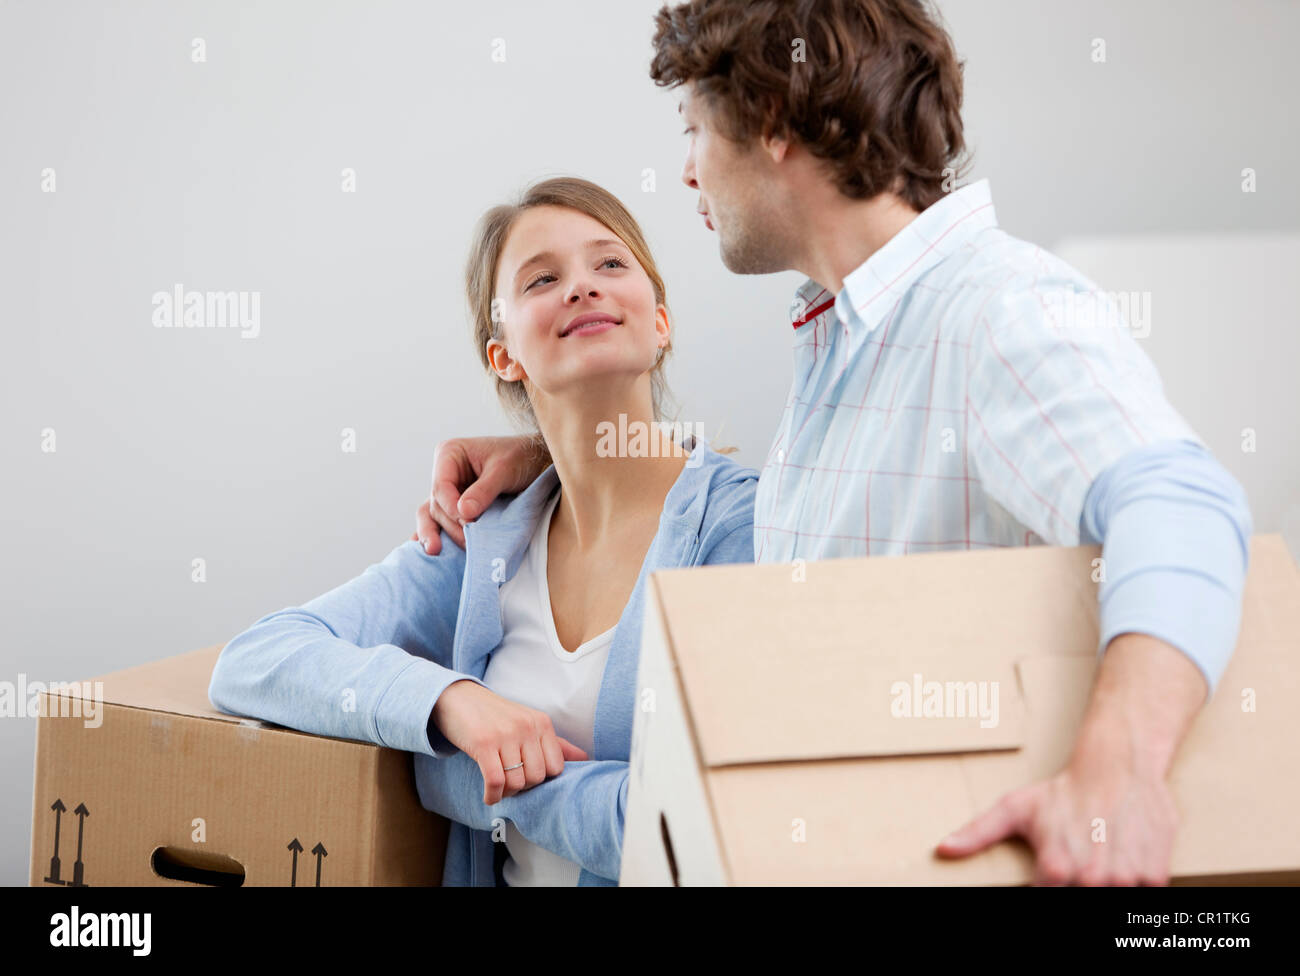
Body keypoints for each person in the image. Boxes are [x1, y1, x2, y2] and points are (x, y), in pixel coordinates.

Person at [412, 0, 1253, 885]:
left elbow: (1181, 505)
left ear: (770, 123)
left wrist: (1119, 769)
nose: (688, 175)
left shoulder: (995, 308)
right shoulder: (845, 355)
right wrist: (560, 454)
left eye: (694, 130)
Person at [209, 176, 758, 886]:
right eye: (542, 278)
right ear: (503, 355)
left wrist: (459, 780)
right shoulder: (483, 540)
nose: (583, 287)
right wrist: (452, 704)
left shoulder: (738, 531)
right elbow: (255, 660)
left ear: (660, 322)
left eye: (611, 264)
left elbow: (696, 831)